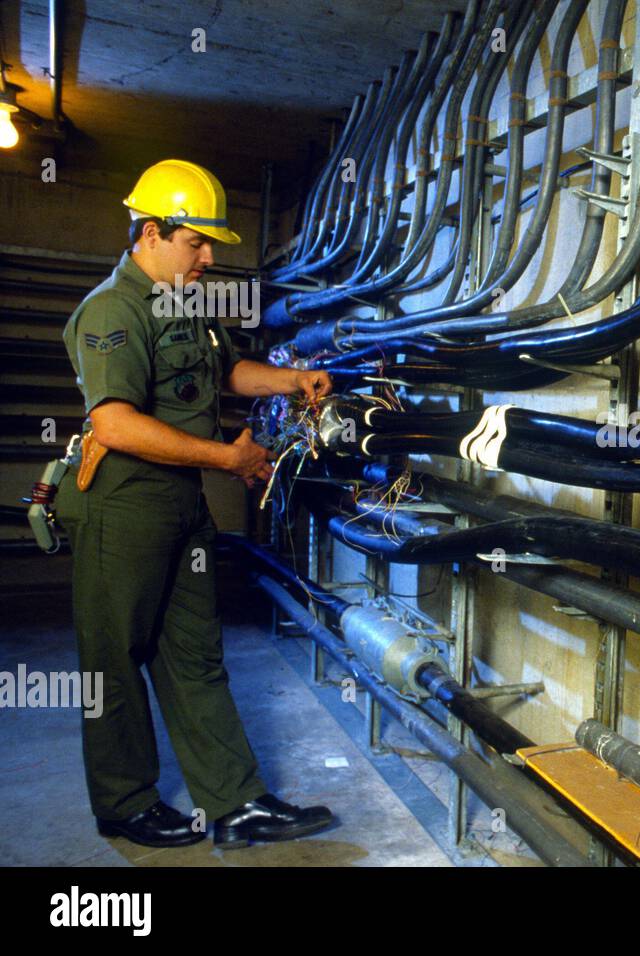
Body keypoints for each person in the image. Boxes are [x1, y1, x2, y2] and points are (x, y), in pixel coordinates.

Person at [55, 158, 335, 850]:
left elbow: (225, 369)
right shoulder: (111, 311)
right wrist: (227, 459)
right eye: (197, 242)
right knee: (116, 658)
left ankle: (236, 802)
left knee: (194, 654)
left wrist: (291, 380)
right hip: (122, 506)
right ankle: (125, 802)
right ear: (150, 233)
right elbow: (115, 424)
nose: (209, 257)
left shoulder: (183, 304)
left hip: (180, 504)